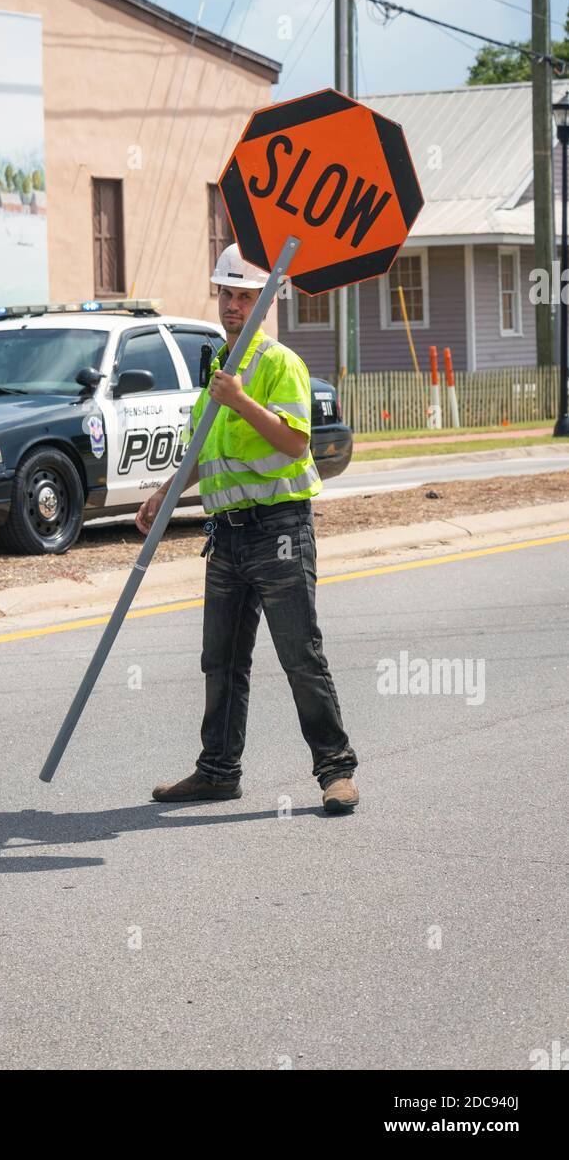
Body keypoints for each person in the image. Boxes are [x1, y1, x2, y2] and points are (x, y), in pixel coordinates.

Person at [135, 244, 358, 813]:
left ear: (266, 299)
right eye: (226, 294)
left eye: (244, 295)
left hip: (279, 528)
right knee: (222, 659)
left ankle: (336, 772)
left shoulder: (279, 363)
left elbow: (294, 440)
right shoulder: (219, 363)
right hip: (228, 535)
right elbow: (204, 452)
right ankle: (217, 771)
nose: (233, 305)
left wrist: (238, 400)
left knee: (299, 654)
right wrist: (164, 495)